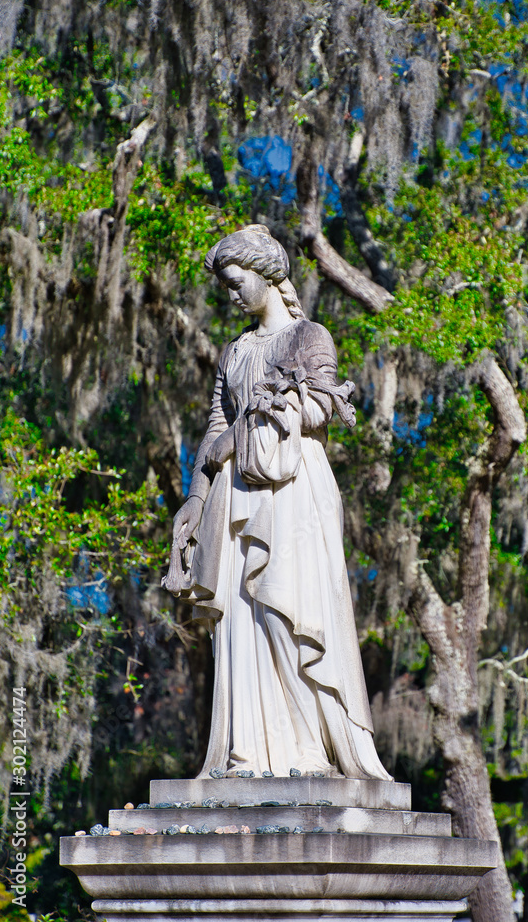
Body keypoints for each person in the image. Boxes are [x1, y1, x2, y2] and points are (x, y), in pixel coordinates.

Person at [166, 224, 391, 781]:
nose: (230, 295)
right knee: (241, 617)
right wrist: (195, 497)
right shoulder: (236, 351)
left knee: (288, 611)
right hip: (235, 496)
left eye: (235, 281)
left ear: (266, 275)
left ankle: (308, 751)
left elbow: (320, 411)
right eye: (224, 286)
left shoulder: (309, 337)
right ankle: (251, 753)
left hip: (293, 488)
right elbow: (215, 427)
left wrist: (253, 424)